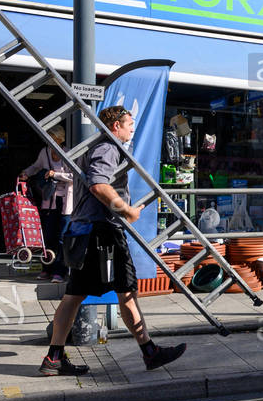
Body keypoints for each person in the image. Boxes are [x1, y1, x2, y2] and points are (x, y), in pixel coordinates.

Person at [40, 105, 186, 376]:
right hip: (103, 232)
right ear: (115, 126)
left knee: (75, 296)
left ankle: (54, 358)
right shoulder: (108, 147)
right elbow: (98, 185)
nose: (132, 127)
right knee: (126, 291)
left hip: (87, 230)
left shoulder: (98, 146)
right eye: (129, 123)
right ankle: (150, 353)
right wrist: (128, 210)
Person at [20, 124, 72, 284]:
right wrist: (26, 173)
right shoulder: (45, 152)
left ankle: (60, 271)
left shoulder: (69, 153)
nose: (50, 141)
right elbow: (36, 166)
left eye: (53, 138)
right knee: (48, 236)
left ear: (59, 139)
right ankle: (46, 269)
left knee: (62, 237)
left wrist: (55, 174)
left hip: (66, 202)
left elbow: (75, 175)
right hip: (50, 200)